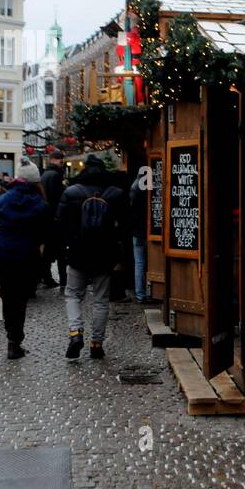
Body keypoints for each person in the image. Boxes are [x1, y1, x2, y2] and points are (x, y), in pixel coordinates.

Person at [56, 154, 126, 360]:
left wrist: (64, 249)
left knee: (72, 295)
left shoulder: (71, 192)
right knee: (101, 300)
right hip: (105, 254)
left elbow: (61, 225)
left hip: (78, 252)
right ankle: (97, 343)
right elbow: (124, 228)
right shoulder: (116, 194)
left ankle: (76, 333)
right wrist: (121, 256)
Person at [0, 164, 51, 359]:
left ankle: (12, 338)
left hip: (3, 254)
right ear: (36, 181)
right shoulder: (40, 203)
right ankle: (15, 339)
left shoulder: (3, 200)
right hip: (26, 255)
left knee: (8, 296)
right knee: (21, 298)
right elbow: (45, 232)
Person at [40, 151, 67, 289]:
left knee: (48, 251)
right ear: (55, 160)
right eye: (61, 161)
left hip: (47, 217)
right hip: (55, 218)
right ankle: (63, 278)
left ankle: (47, 277)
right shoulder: (55, 175)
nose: (62, 164)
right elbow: (57, 198)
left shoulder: (45, 174)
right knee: (60, 250)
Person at [127, 168, 150, 303]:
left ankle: (140, 294)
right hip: (145, 230)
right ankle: (144, 293)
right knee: (142, 262)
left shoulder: (135, 186)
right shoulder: (147, 187)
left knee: (140, 263)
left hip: (137, 230)